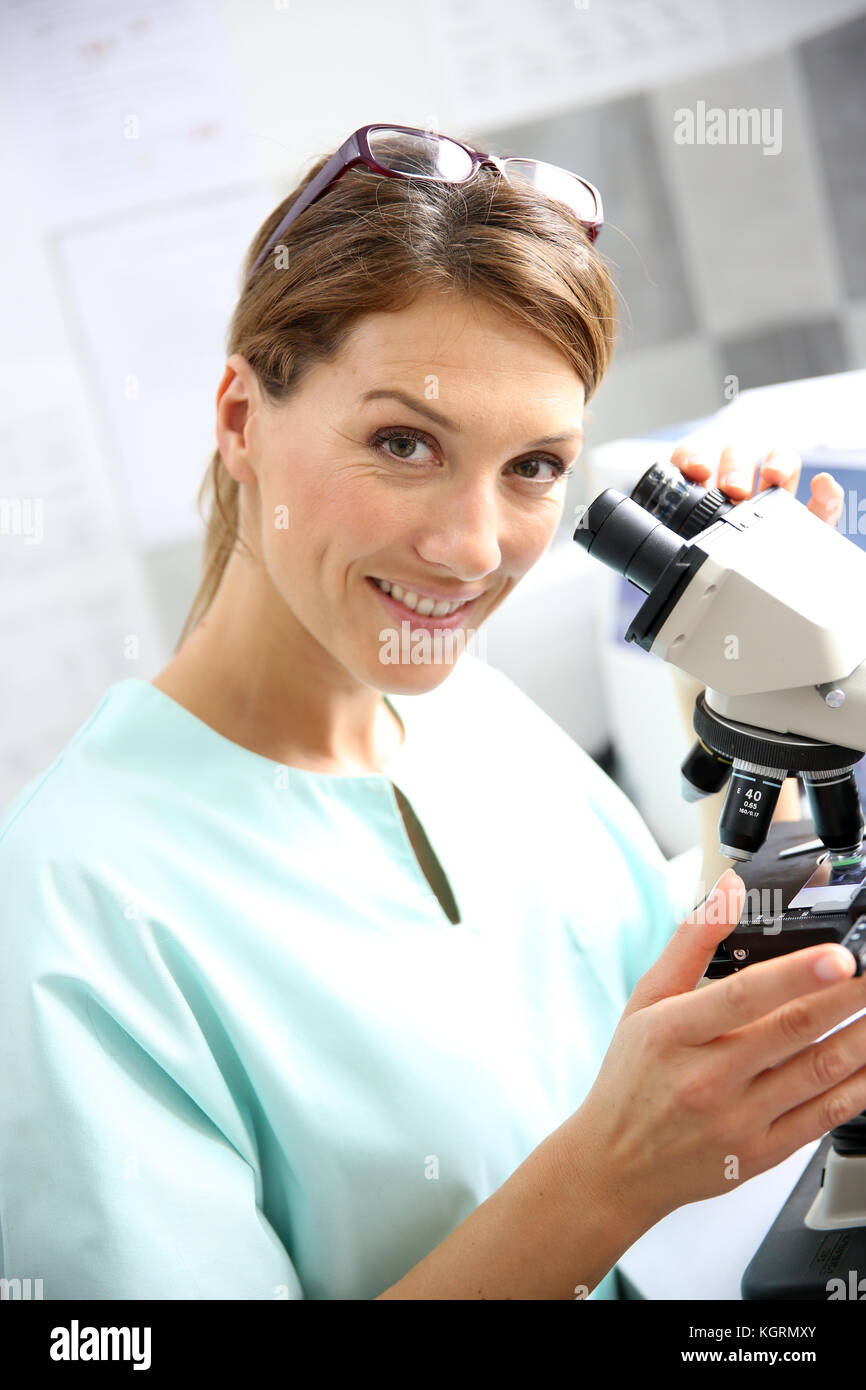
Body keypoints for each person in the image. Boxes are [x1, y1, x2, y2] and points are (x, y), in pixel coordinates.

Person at [1, 124, 863, 1302]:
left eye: (533, 468)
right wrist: (604, 1182)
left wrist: (755, 702)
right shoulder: (65, 920)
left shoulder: (477, 717)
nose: (470, 547)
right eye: (403, 442)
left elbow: (662, 1019)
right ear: (240, 418)